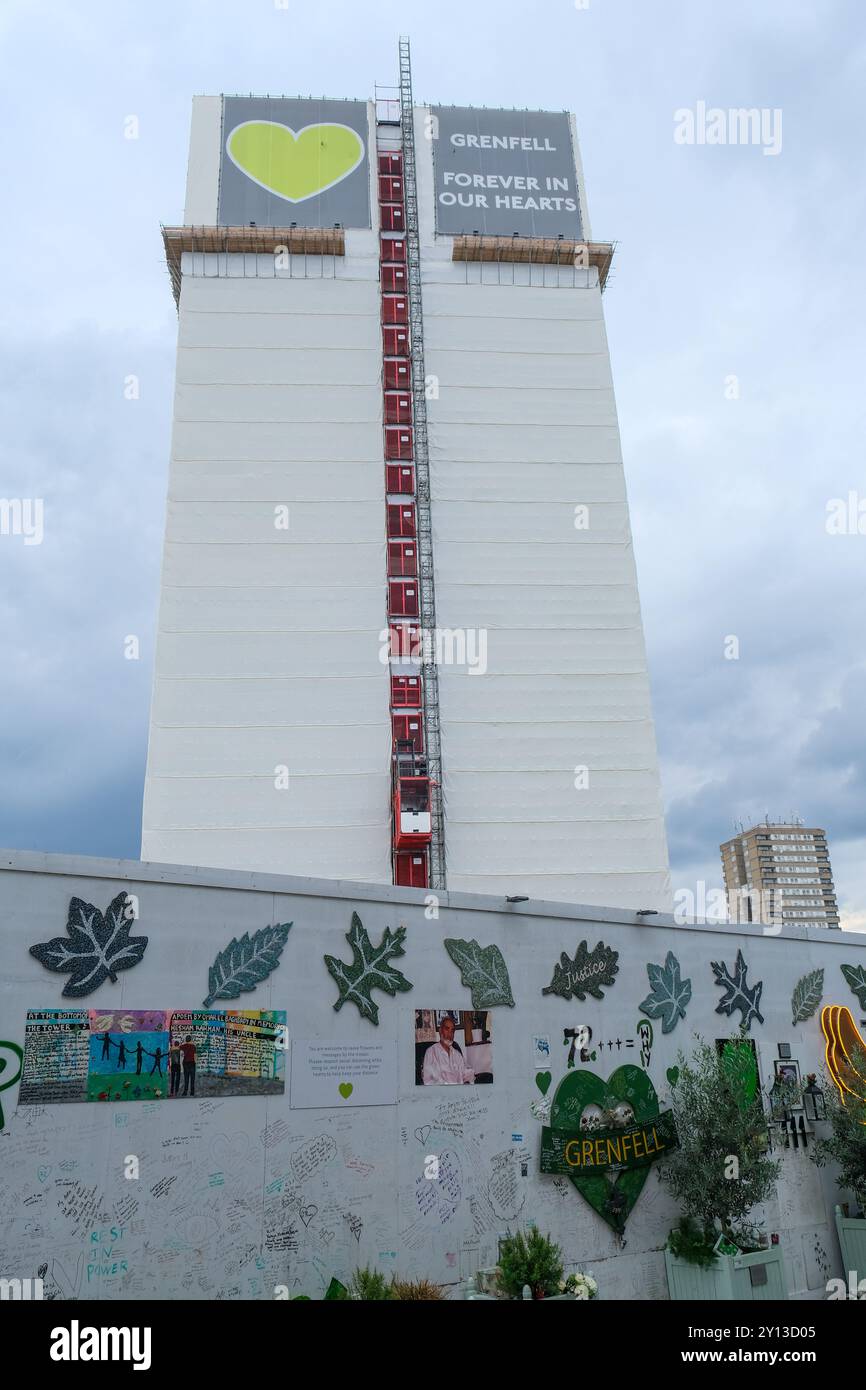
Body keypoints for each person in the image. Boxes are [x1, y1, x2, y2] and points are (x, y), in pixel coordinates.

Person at [422, 1016, 474, 1085]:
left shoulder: (457, 1054)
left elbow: (467, 1073)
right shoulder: (431, 1052)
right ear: (440, 1031)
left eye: (452, 1030)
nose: (450, 1034)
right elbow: (427, 1081)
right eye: (447, 1029)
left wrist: (467, 1082)